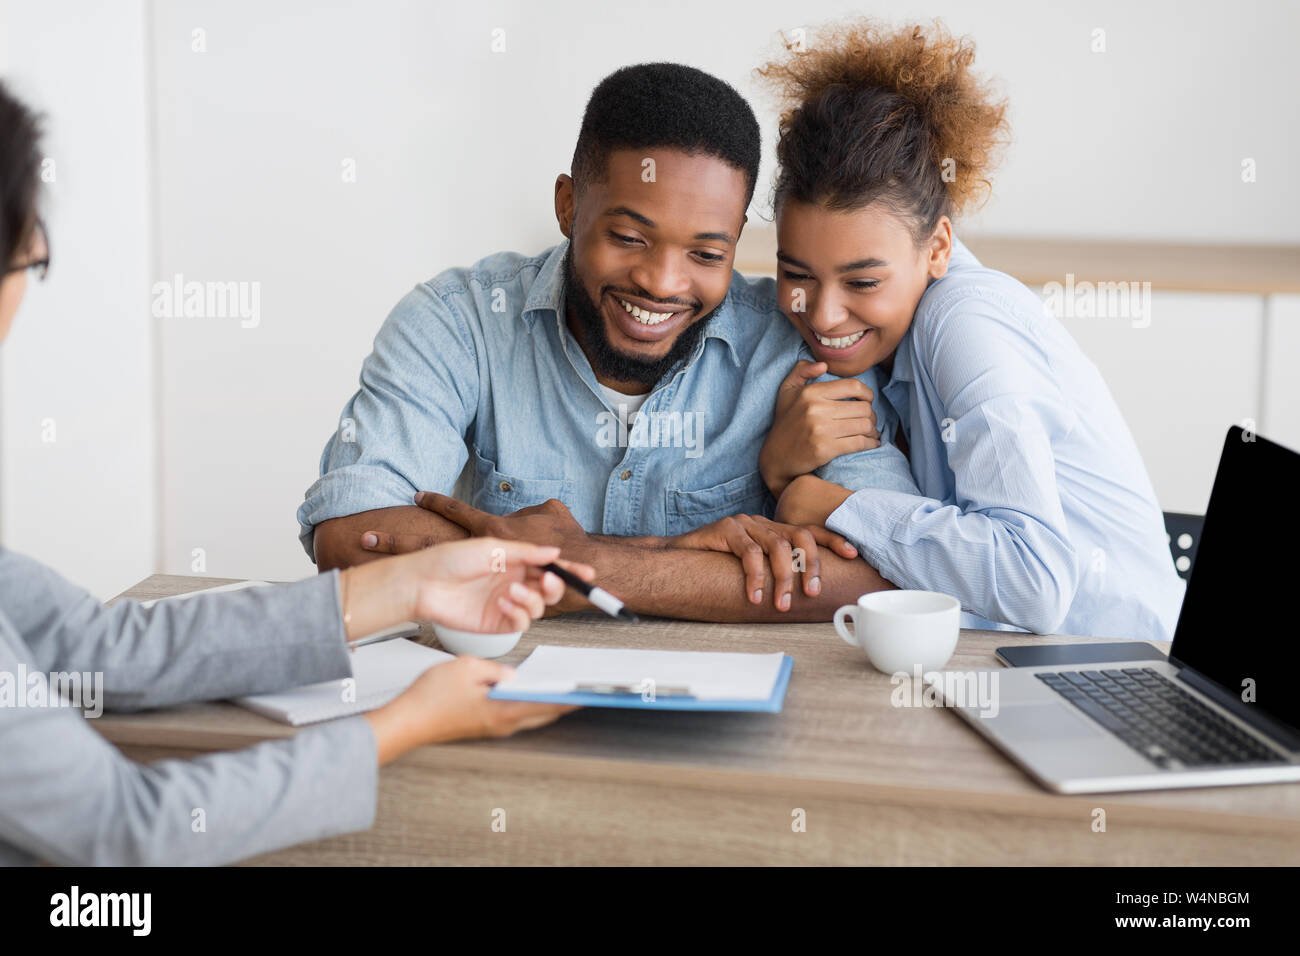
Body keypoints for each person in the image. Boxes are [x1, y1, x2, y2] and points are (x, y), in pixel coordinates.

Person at [0, 82, 588, 866]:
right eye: (30, 258)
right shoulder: (453, 315)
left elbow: (98, 647)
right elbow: (123, 829)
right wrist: (405, 724)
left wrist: (411, 585)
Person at [302, 62, 917, 622]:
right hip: (499, 690)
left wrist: (585, 564)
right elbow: (353, 537)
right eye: (628, 238)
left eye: (706, 253)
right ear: (568, 206)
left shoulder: (799, 348)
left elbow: (889, 574)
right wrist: (664, 556)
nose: (662, 283)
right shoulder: (459, 321)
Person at [752, 19, 1185, 639]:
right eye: (797, 273)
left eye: (863, 282)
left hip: (1123, 667)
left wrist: (842, 506)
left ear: (937, 248)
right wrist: (778, 472)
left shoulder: (964, 321)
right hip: (999, 661)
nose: (823, 315)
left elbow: (1034, 583)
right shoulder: (873, 339)